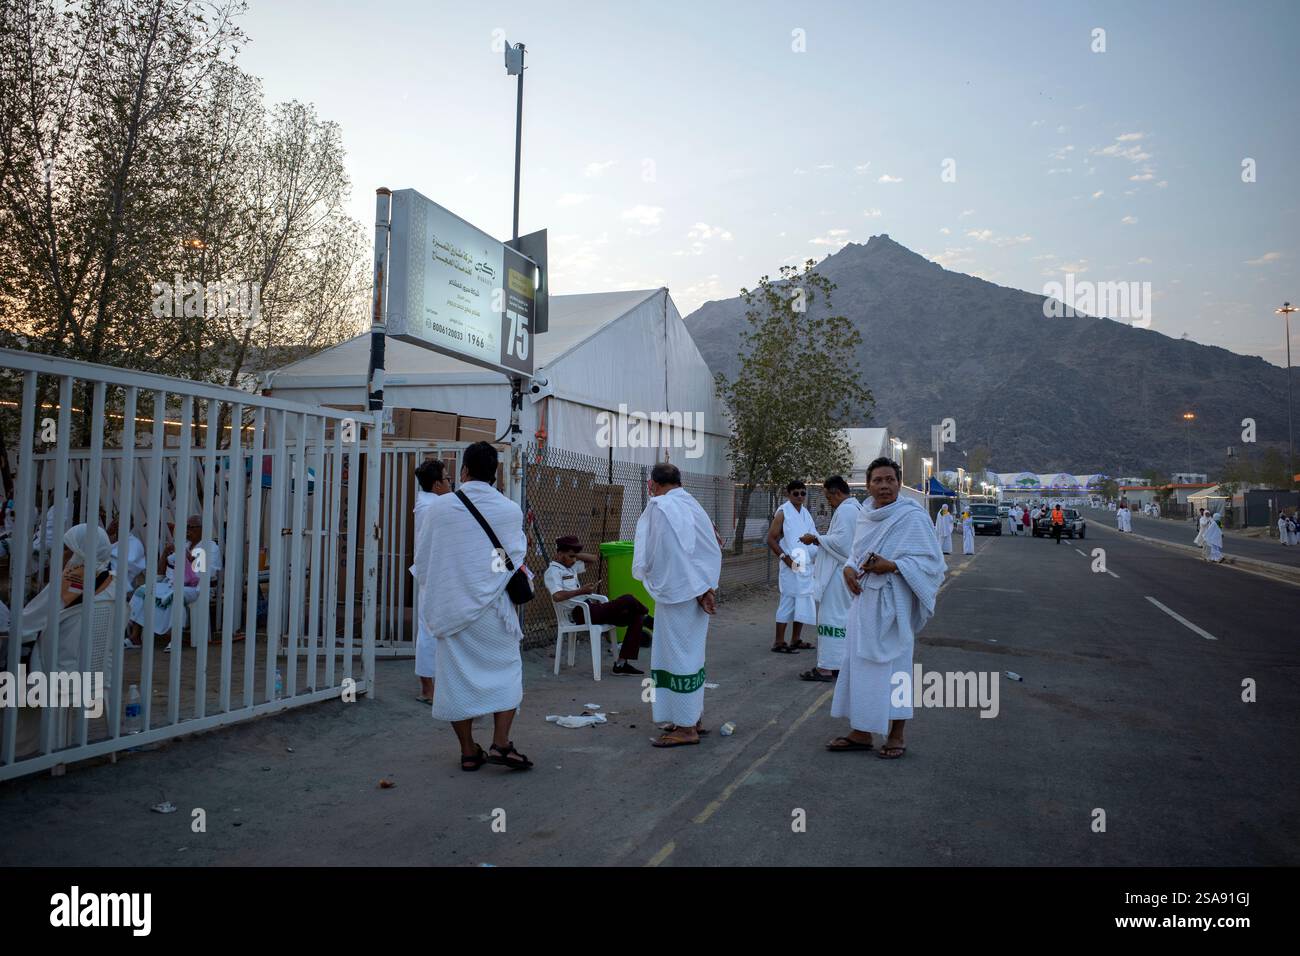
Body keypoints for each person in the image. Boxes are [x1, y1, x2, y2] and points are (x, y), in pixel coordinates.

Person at [416, 442, 533, 772]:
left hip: (453, 609)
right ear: (495, 473)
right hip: (493, 612)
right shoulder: (510, 510)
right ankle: (501, 742)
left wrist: (449, 587)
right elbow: (511, 562)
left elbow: (424, 562)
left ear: (463, 471)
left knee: (455, 681)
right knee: (506, 672)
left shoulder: (439, 509)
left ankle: (469, 751)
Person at [827, 458, 945, 760]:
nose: (884, 485)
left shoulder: (912, 516)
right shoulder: (865, 515)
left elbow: (932, 564)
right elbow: (855, 554)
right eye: (877, 480)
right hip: (864, 605)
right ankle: (862, 731)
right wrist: (849, 570)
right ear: (868, 485)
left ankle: (896, 733)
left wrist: (892, 566)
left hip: (896, 606)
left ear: (899, 482)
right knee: (860, 666)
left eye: (890, 479)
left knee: (898, 670)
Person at [632, 461, 722, 748]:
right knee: (692, 653)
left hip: (681, 592)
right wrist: (705, 587)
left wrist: (695, 589)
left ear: (653, 484)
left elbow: (668, 553)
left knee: (676, 655)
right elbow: (711, 545)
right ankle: (691, 717)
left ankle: (685, 728)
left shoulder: (662, 507)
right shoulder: (692, 503)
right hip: (697, 589)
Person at [543, 535, 654, 676]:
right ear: (559, 554)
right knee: (628, 599)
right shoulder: (553, 572)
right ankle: (648, 618)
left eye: (574, 557)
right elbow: (557, 596)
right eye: (570, 556)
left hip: (590, 609)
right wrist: (581, 591)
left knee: (635, 616)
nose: (573, 560)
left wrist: (574, 554)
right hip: (579, 613)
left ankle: (621, 664)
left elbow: (594, 559)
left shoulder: (570, 567)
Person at [126, 515, 221, 650]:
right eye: (186, 527)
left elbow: (208, 574)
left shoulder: (211, 547)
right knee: (143, 590)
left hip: (198, 588)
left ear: (203, 529)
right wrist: (165, 553)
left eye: (191, 527)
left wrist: (188, 558)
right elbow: (161, 573)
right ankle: (135, 637)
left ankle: (175, 638)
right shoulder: (183, 544)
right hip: (172, 583)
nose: (187, 530)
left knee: (175, 596)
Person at [800, 476, 861, 682]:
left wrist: (816, 538)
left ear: (836, 493)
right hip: (843, 571)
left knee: (830, 619)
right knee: (840, 619)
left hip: (838, 573)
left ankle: (826, 667)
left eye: (828, 497)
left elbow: (843, 543)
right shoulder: (854, 509)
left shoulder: (846, 511)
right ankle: (838, 663)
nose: (829, 502)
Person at [411, 457, 451, 704]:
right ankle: (427, 687)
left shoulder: (430, 504)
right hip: (433, 574)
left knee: (433, 628)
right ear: (436, 485)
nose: (450, 483)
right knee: (428, 630)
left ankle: (433, 684)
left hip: (436, 573)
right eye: (447, 479)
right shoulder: (432, 507)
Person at [766, 480, 818, 653]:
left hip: (806, 565)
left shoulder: (806, 513)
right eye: (796, 493)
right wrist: (785, 559)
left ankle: (796, 639)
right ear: (788, 494)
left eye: (803, 493)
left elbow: (813, 536)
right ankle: (779, 642)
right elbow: (771, 539)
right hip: (791, 565)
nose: (800, 496)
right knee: (788, 600)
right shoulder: (783, 512)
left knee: (803, 600)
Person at [106, 514, 146, 585]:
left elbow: (125, 568)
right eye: (116, 522)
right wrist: (107, 535)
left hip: (116, 582)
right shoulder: (108, 539)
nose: (118, 525)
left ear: (131, 526)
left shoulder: (135, 543)